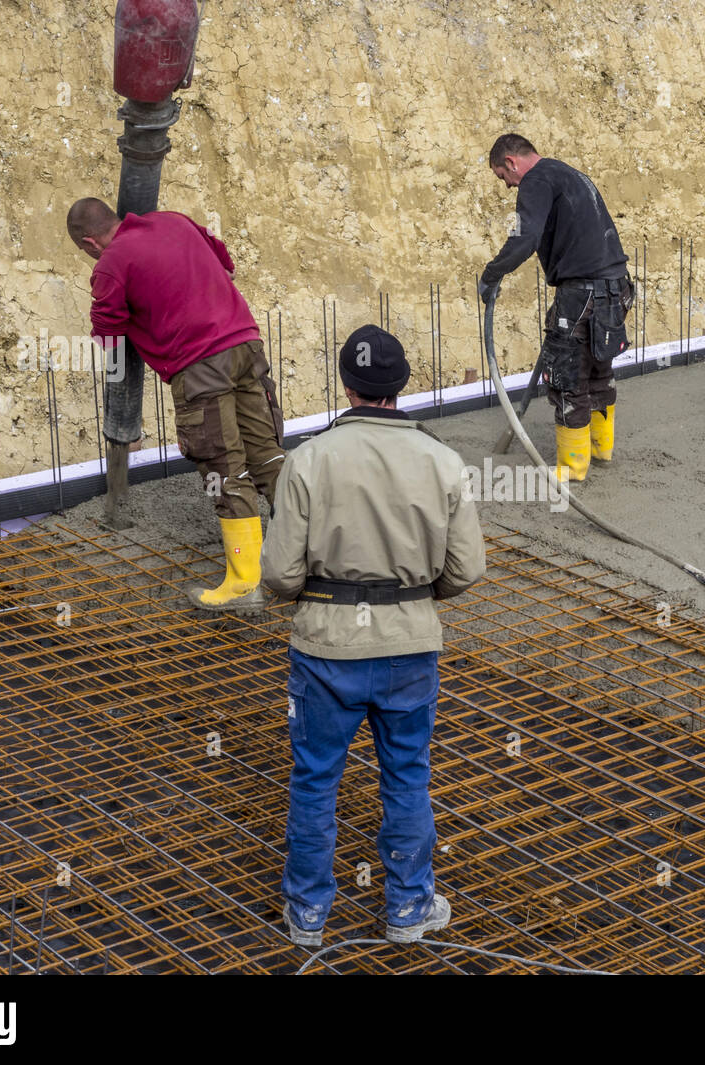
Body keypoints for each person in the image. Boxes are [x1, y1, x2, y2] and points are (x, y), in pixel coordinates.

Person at [261, 325, 486, 947]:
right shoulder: (441, 460)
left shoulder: (308, 460)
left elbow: (279, 576)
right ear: (400, 385)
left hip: (325, 648)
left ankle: (307, 914)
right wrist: (413, 600)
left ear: (346, 384)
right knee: (407, 776)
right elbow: (467, 569)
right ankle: (409, 910)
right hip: (409, 646)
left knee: (314, 781)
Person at [67, 198, 285, 613]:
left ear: (90, 242)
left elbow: (108, 332)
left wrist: (140, 317)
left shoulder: (110, 264)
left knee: (225, 469)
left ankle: (244, 585)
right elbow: (226, 263)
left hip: (200, 366)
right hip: (246, 344)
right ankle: (312, 563)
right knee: (269, 456)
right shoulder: (173, 221)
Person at [480, 134, 632, 482]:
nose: (506, 186)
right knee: (598, 372)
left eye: (503, 177)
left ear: (511, 162)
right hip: (616, 289)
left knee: (567, 380)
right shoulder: (570, 174)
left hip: (582, 294)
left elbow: (525, 238)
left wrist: (492, 273)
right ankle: (601, 449)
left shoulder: (534, 182)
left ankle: (572, 468)